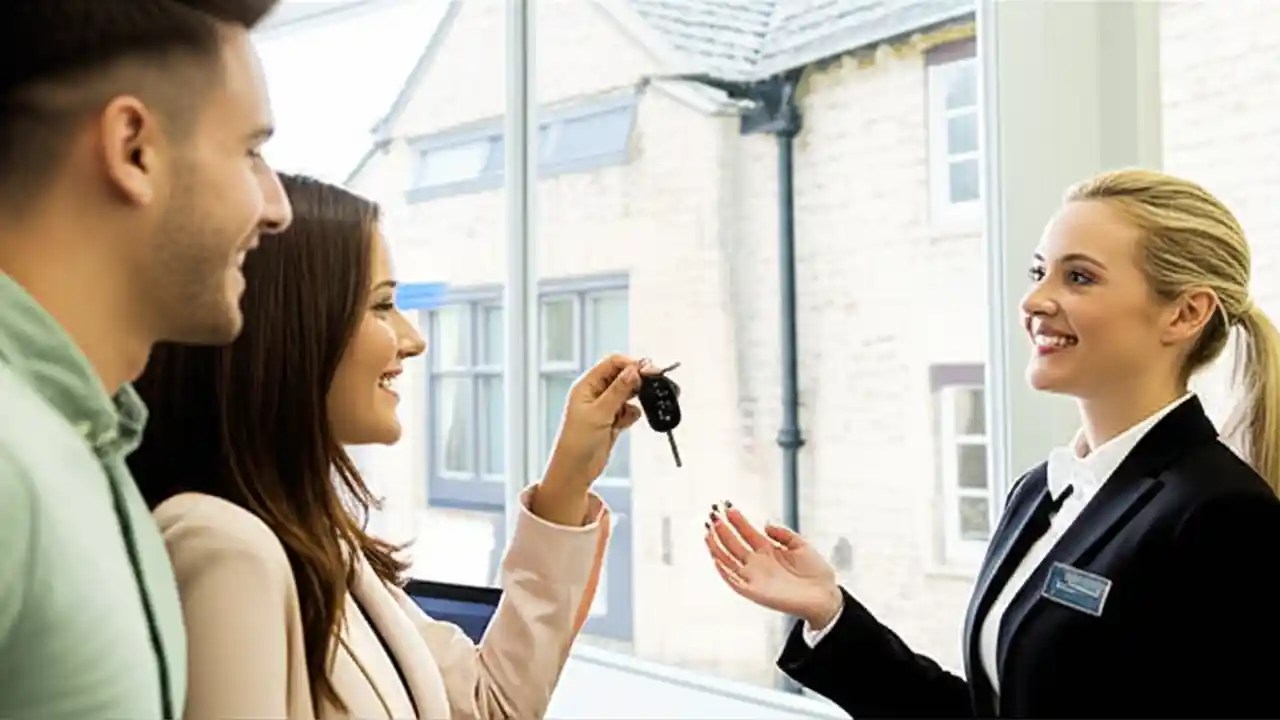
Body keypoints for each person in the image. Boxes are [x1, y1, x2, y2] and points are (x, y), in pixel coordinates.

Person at [705, 168, 1280, 718]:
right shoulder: (1038, 493)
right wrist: (829, 614)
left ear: (1185, 313)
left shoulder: (1222, 513)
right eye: (1039, 273)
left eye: (1078, 277)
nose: (1034, 301)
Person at [128, 173, 645, 719]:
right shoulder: (220, 546)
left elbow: (488, 706)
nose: (413, 339)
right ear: (292, 330)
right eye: (380, 306)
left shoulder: (321, 541)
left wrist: (569, 476)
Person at [0, 1, 290, 716]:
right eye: (250, 151)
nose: (276, 207)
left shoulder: (79, 444)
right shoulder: (10, 458)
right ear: (134, 148)